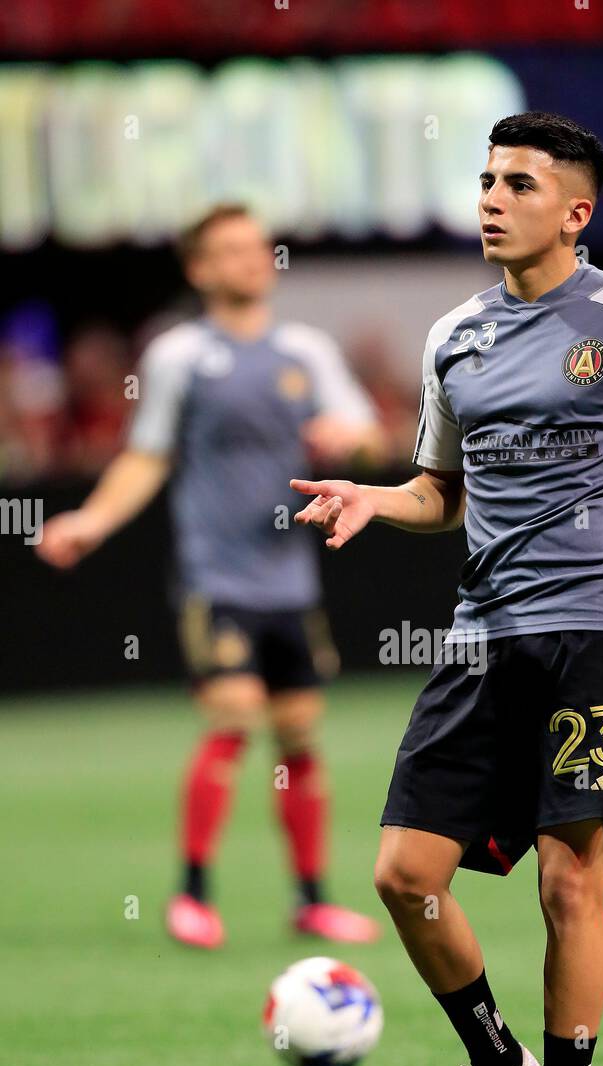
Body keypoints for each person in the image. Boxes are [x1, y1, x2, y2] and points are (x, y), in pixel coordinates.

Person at [291, 112, 603, 1066]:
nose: (491, 197)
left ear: (573, 211)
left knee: (565, 881)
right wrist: (373, 495)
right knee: (404, 875)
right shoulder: (454, 335)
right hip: (482, 637)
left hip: (597, 633)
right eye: (486, 178)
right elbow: (441, 490)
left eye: (518, 183)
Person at [38, 204, 383, 950]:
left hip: (291, 581)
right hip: (215, 578)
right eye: (228, 250)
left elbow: (368, 435)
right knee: (232, 719)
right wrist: (90, 523)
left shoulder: (306, 351)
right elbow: (146, 455)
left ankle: (312, 900)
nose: (249, 260)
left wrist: (350, 439)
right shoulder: (179, 355)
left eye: (257, 248)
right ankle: (192, 894)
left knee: (298, 737)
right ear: (199, 269)